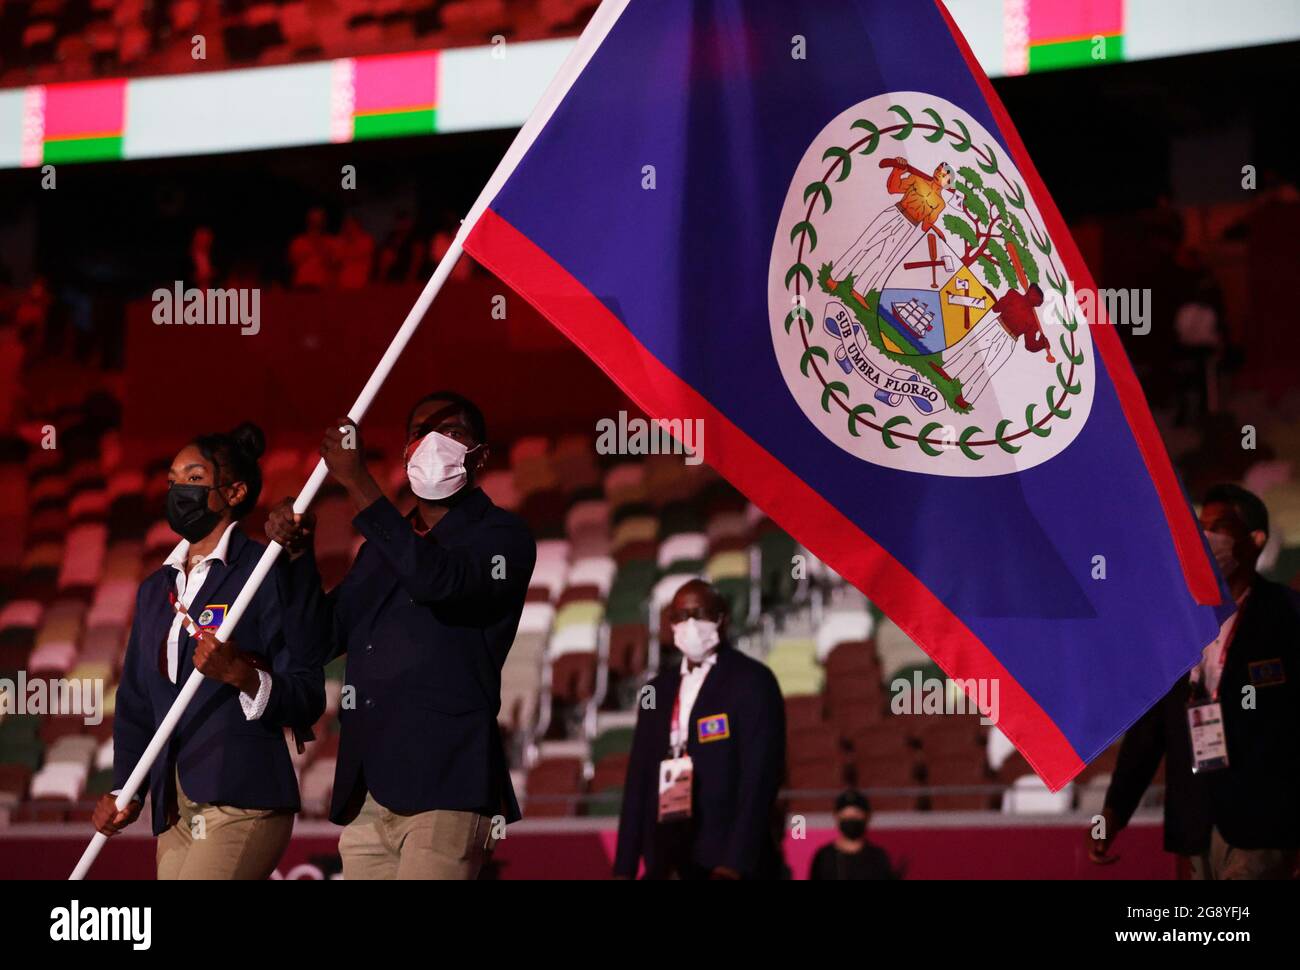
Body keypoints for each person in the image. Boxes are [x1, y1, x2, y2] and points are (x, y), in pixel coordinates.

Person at [266, 391, 536, 879]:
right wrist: (297, 557)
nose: (433, 442)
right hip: (370, 788)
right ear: (406, 450)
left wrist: (358, 480)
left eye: (452, 432)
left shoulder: (503, 537)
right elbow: (316, 642)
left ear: (482, 456)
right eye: (420, 431)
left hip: (447, 783)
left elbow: (436, 580)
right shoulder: (378, 553)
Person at [92, 423, 324, 879]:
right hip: (175, 811)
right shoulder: (155, 589)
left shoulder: (265, 570)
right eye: (173, 480)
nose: (179, 489)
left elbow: (306, 693)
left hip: (244, 798)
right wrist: (126, 790)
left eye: (194, 479)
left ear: (234, 491)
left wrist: (243, 675)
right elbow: (138, 702)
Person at [1090, 484, 1300, 879]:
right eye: (1200, 527)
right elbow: (1148, 731)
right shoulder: (1177, 624)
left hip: (1265, 823)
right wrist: (1113, 814)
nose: (1205, 539)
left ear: (1255, 541)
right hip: (1195, 820)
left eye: (1218, 528)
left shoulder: (1289, 617)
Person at [613, 579, 786, 879]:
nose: (690, 624)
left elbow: (760, 779)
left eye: (700, 614)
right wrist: (624, 868)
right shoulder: (657, 691)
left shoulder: (753, 682)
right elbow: (638, 782)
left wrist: (734, 863)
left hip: (726, 861)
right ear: (670, 624)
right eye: (681, 616)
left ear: (722, 618)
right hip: (667, 858)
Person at [809, 789, 897, 880]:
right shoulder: (824, 857)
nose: (851, 819)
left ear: (867, 817)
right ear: (836, 817)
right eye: (846, 815)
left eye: (856, 814)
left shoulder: (877, 857)